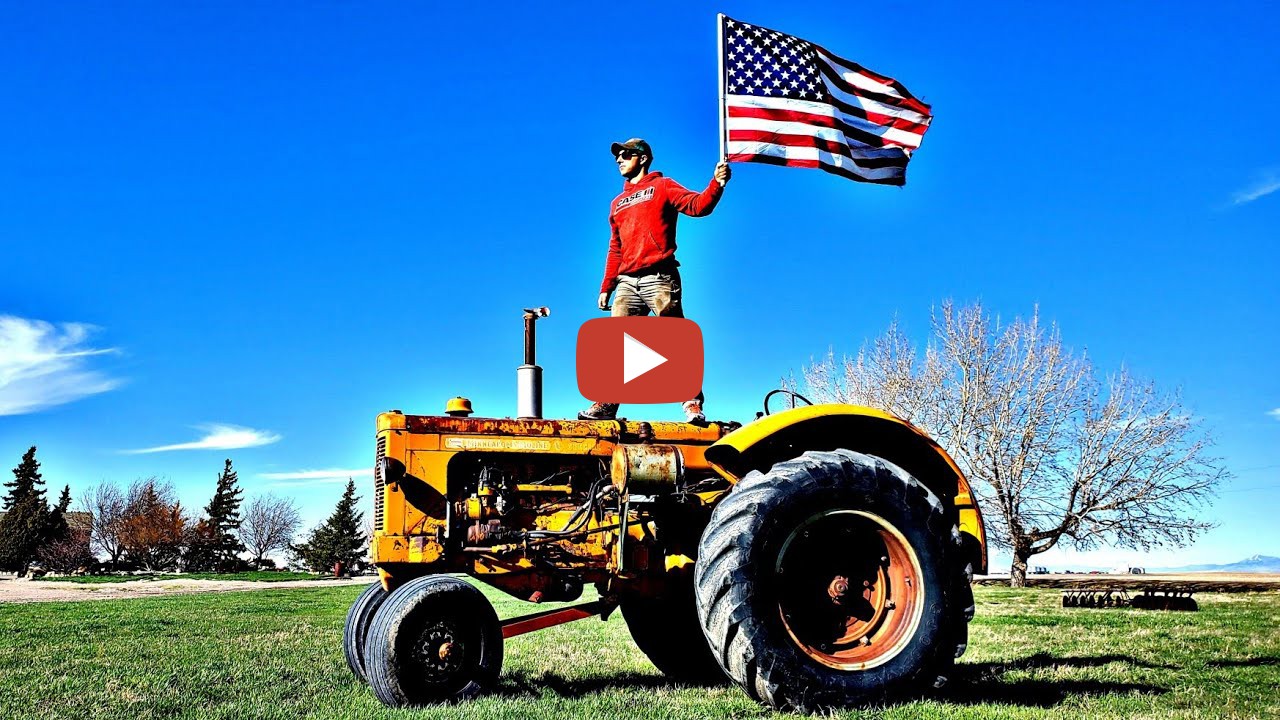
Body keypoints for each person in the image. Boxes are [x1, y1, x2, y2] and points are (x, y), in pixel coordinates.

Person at [578, 138, 731, 424]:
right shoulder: (617, 203)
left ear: (643, 158)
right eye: (618, 156)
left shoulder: (662, 186)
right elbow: (616, 247)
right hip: (627, 282)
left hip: (659, 277)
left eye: (626, 155)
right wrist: (606, 286)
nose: (619, 160)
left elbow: (698, 206)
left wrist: (716, 184)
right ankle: (607, 403)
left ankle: (692, 404)